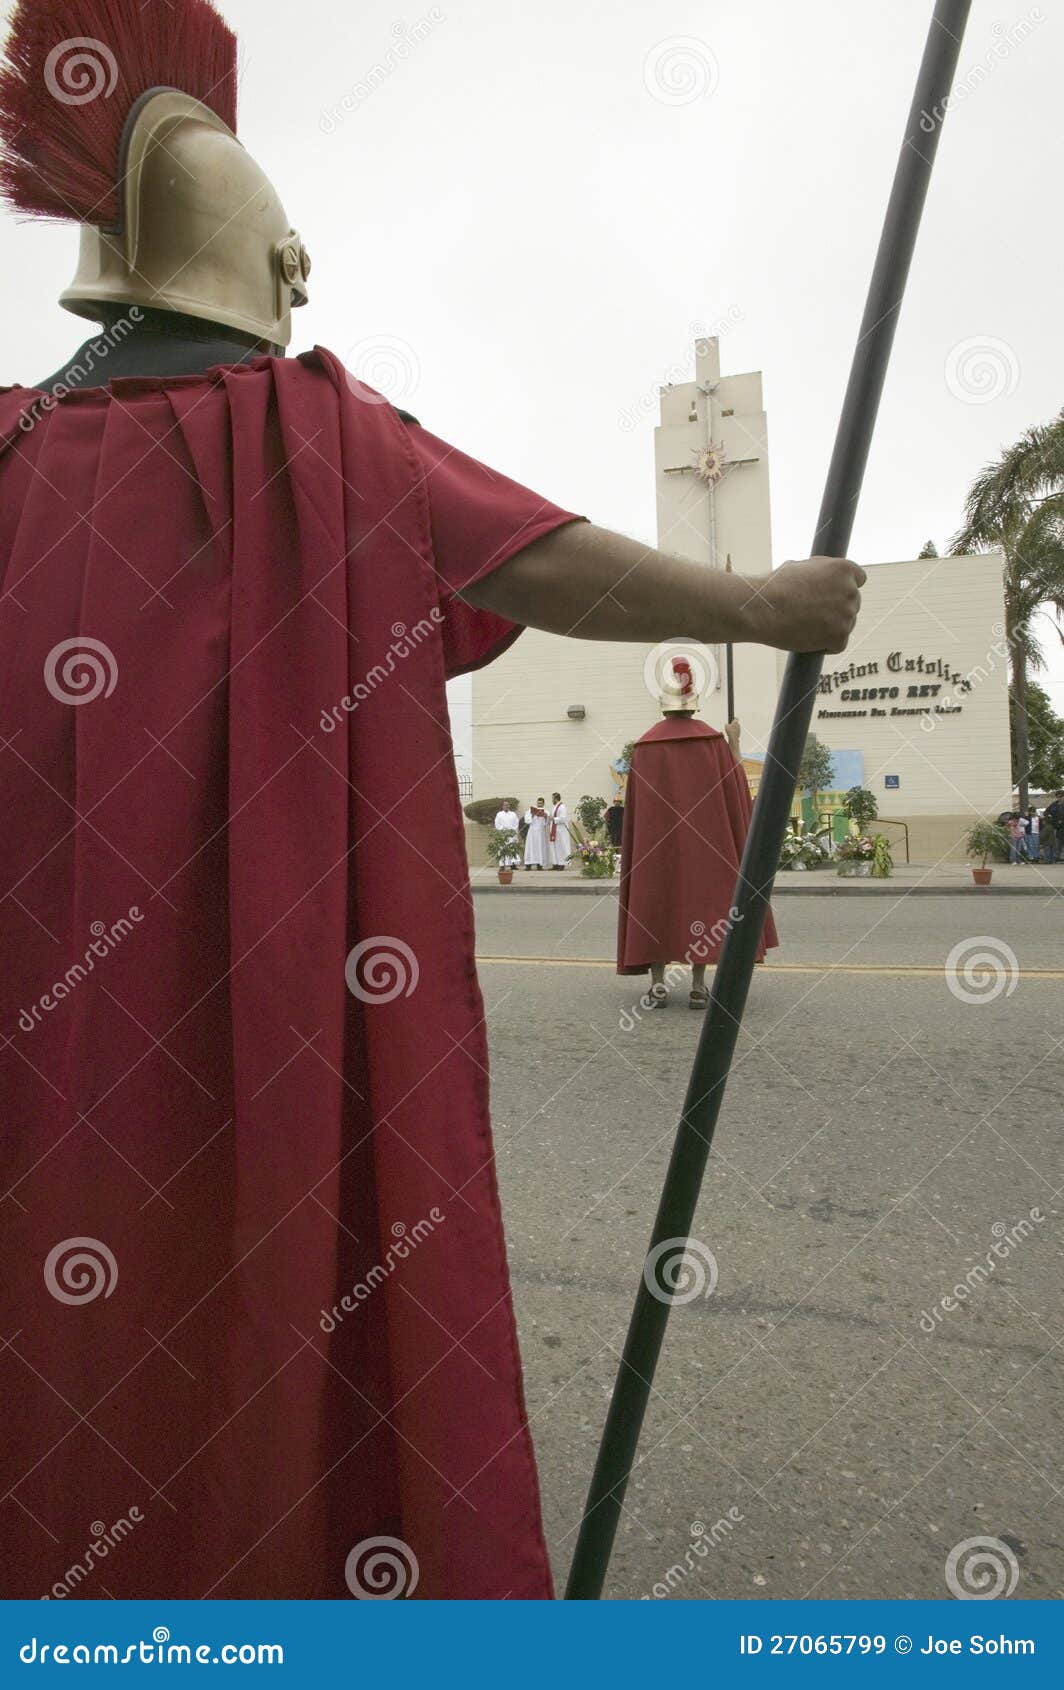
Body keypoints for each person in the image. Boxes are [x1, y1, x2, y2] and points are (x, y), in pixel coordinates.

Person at [0, 0, 864, 1600]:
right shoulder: (325, 438)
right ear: (255, 258)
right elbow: (553, 561)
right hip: (284, 1048)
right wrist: (763, 609)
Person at [617, 661, 778, 1008]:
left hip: (655, 849)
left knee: (654, 902)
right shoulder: (711, 741)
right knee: (701, 907)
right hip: (706, 849)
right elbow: (737, 789)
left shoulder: (645, 748)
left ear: (663, 704)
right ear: (694, 704)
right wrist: (735, 742)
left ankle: (658, 985)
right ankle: (697, 986)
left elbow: (635, 807)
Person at [548, 793, 572, 870]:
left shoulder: (562, 807)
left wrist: (553, 818)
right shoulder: (554, 807)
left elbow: (563, 818)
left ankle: (562, 864)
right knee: (554, 847)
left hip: (561, 831)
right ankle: (555, 863)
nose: (552, 800)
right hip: (555, 830)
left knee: (561, 847)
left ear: (555, 799)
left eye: (552, 798)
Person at [523, 799, 549, 870]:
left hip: (540, 833)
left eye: (541, 803)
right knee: (530, 847)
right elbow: (527, 821)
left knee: (540, 848)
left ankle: (539, 864)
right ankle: (528, 864)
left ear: (543, 804)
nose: (539, 805)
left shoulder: (546, 812)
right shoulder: (529, 811)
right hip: (532, 832)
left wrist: (546, 817)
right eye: (538, 803)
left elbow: (546, 823)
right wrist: (532, 815)